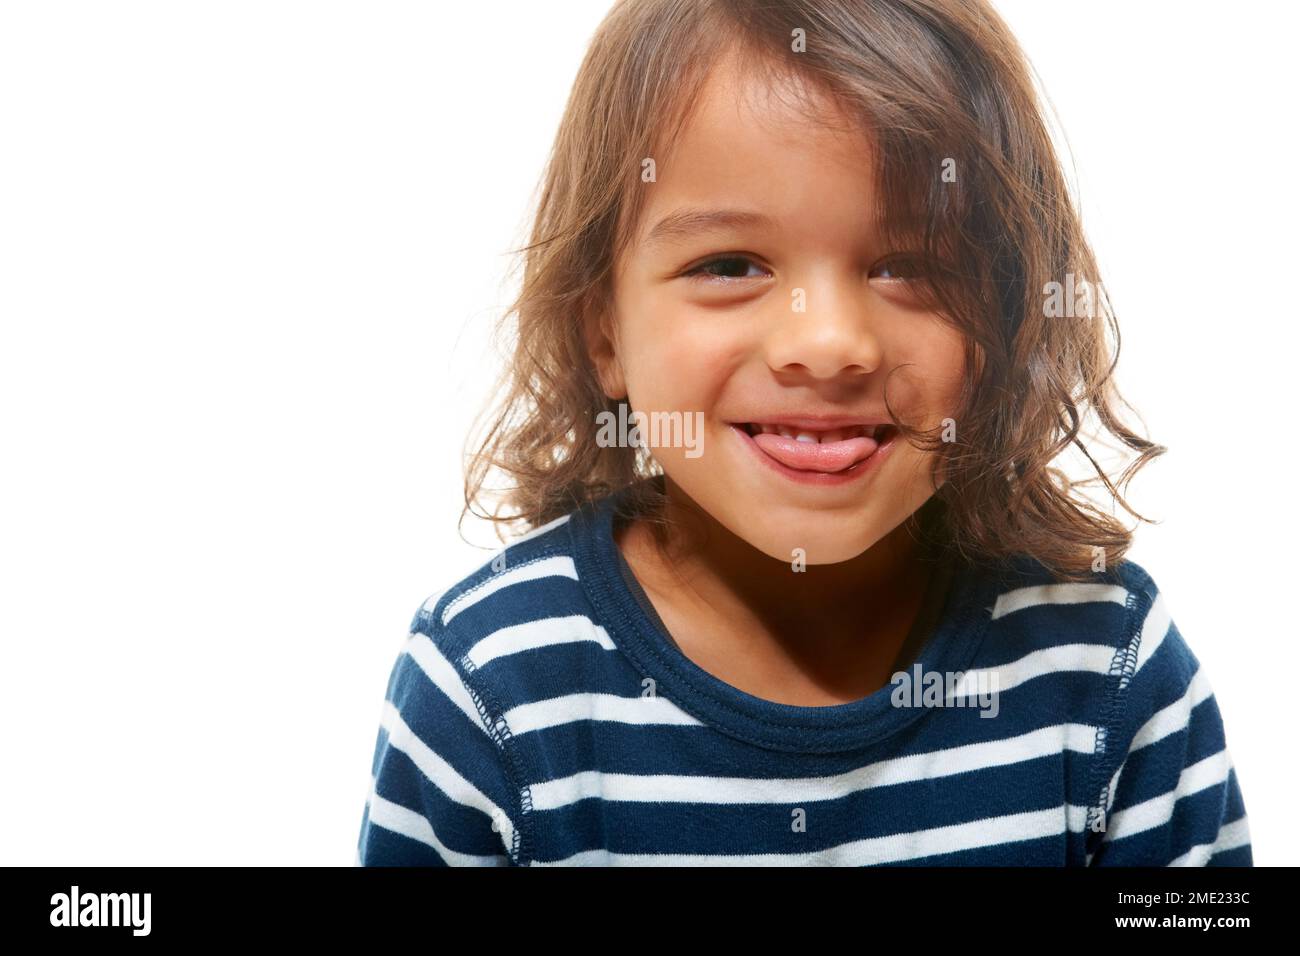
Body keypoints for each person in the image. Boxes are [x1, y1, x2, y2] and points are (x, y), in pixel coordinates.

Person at [356, 0, 1251, 866]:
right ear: (604, 336)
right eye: (730, 266)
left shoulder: (1108, 667)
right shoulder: (488, 691)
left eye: (911, 266)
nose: (828, 344)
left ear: (1010, 315)